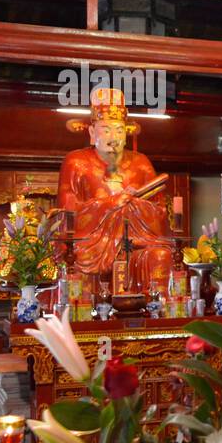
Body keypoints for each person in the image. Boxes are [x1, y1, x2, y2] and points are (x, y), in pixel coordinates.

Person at [56, 87, 173, 291]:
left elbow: (160, 212)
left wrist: (133, 205)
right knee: (75, 257)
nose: (114, 137)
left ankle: (157, 307)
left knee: (160, 255)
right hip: (93, 243)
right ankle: (83, 314)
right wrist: (111, 204)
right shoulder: (76, 162)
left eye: (119, 130)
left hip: (135, 242)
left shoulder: (141, 162)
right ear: (92, 132)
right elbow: (68, 214)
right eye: (106, 129)